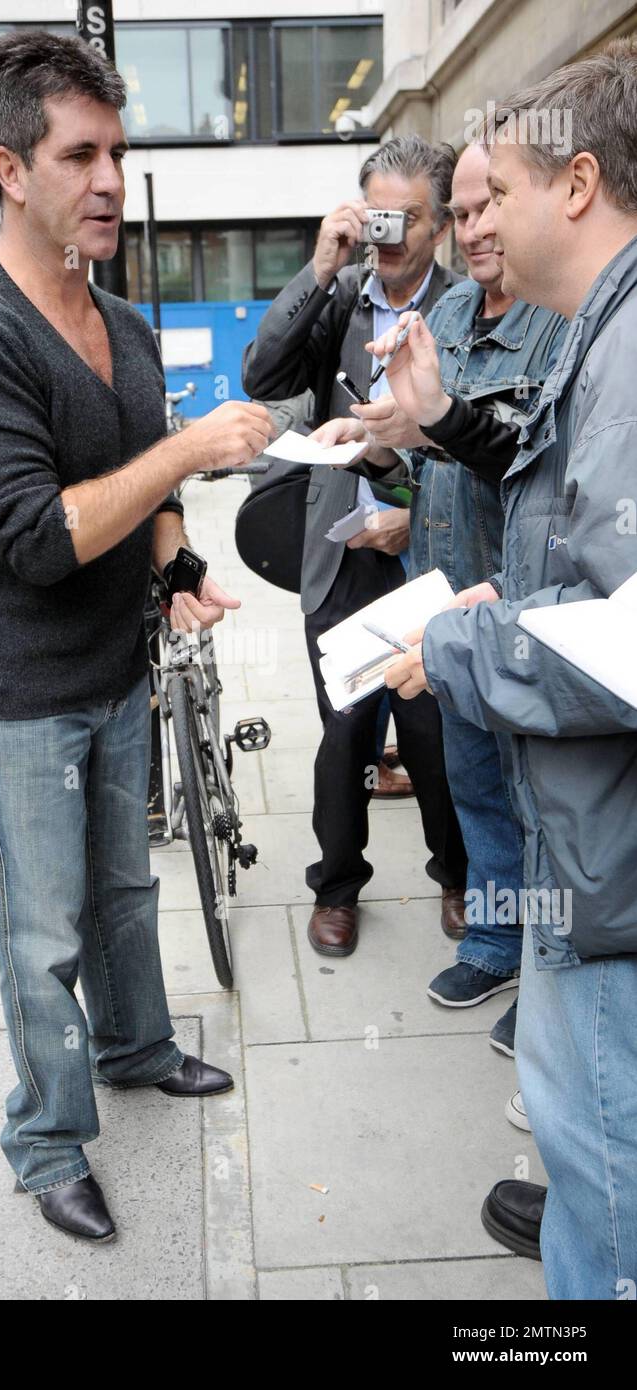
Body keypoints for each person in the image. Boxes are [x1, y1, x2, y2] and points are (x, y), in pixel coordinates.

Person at [0, 29, 274, 1243]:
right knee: (41, 927)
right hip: (22, 693)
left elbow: (141, 489)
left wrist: (180, 565)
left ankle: (137, 1046)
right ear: (11, 170)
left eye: (118, 150)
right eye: (81, 154)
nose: (111, 178)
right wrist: (181, 453)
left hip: (120, 668)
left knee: (125, 888)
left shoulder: (117, 321)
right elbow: (37, 535)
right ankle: (48, 1136)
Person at [378, 40, 637, 1298]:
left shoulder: (627, 348)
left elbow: (632, 641)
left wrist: (457, 641)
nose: (477, 216)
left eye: (500, 190)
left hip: (613, 876)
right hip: (591, 856)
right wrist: (519, 596)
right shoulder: (601, 332)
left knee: (607, 1218)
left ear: (576, 183)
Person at [312, 143, 567, 1056]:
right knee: (472, 787)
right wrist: (382, 444)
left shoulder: (561, 316)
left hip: (521, 600)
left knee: (535, 796)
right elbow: (431, 449)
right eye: (460, 213)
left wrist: (430, 427)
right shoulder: (450, 305)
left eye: (488, 203)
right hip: (443, 596)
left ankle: (547, 974)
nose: (475, 228)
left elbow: (520, 451)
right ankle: (498, 941)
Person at [242, 136, 468, 958]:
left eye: (406, 217)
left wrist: (412, 508)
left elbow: (471, 437)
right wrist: (317, 267)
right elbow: (262, 379)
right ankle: (336, 887)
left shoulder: (466, 305)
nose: (389, 234)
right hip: (341, 554)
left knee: (430, 731)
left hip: (427, 550)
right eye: (376, 214)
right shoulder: (336, 300)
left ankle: (456, 877)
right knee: (344, 731)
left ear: (438, 224)